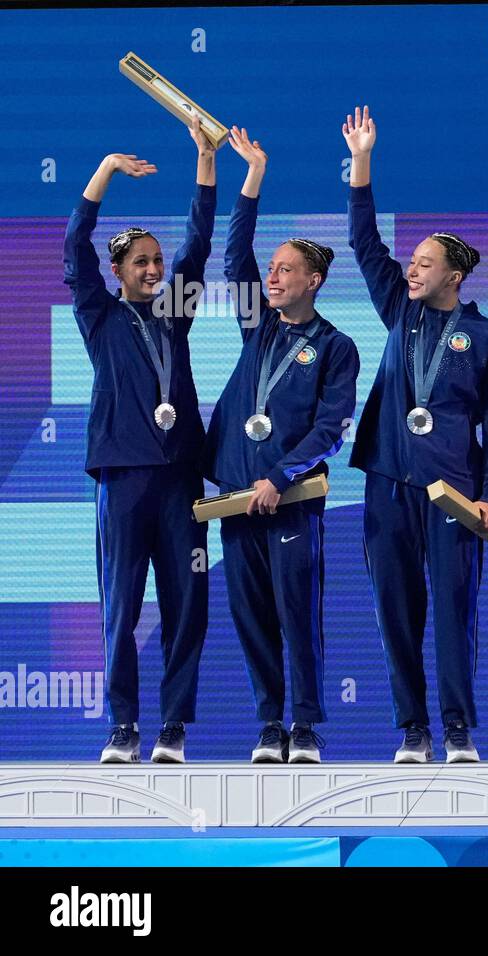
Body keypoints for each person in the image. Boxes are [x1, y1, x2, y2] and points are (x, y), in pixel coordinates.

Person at [345, 106, 488, 763]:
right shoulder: (399, 310)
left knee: (453, 613)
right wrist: (362, 160)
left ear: (455, 274)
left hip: (454, 492)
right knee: (396, 611)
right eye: (410, 261)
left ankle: (459, 730)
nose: (411, 270)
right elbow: (364, 241)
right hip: (389, 482)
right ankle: (413, 730)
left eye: (424, 262)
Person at [64, 116, 218, 764]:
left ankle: (173, 729)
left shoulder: (175, 311)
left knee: (188, 607)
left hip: (181, 475)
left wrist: (205, 160)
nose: (155, 268)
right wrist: (104, 167)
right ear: (119, 269)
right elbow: (75, 242)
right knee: (121, 607)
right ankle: (123, 728)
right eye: (142, 261)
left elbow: (200, 242)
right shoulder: (99, 315)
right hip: (123, 477)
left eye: (157, 260)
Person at [204, 126, 359, 764]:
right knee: (251, 617)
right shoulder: (257, 328)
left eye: (286, 270)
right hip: (237, 498)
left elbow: (330, 428)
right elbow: (234, 252)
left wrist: (283, 477)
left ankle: (305, 728)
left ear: (315, 279)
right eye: (272, 271)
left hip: (291, 500)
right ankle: (268, 724)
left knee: (298, 615)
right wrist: (254, 173)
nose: (272, 277)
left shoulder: (335, 347)